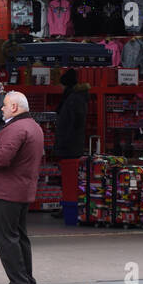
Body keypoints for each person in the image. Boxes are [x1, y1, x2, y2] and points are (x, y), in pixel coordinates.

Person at [0, 91, 45, 284]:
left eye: (5, 105)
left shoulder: (15, 128)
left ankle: (19, 283)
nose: (2, 108)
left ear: (14, 107)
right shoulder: (34, 126)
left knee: (6, 238)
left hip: (7, 191)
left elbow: (2, 158)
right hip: (22, 190)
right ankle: (27, 281)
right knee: (19, 236)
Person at [52, 68, 88, 224]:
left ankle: (70, 206)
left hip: (71, 146)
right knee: (69, 179)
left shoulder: (73, 99)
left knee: (70, 179)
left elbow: (75, 122)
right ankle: (67, 205)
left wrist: (66, 138)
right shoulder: (73, 97)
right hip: (70, 144)